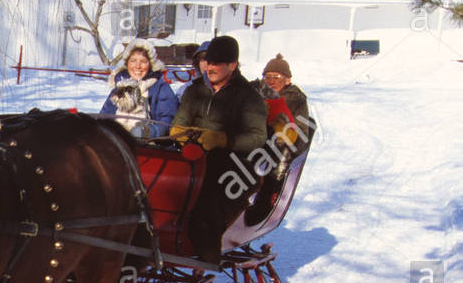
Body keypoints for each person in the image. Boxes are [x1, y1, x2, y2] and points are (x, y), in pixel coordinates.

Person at [168, 34, 268, 263]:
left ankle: (206, 259)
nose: (210, 67)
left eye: (216, 63)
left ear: (232, 65)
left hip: (236, 168)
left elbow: (258, 138)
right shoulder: (194, 91)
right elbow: (178, 124)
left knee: (206, 207)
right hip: (195, 161)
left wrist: (223, 139)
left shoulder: (249, 97)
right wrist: (180, 133)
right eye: (208, 62)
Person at [99, 39, 178, 139]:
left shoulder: (160, 88)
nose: (137, 66)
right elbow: (104, 117)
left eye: (143, 62)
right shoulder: (119, 88)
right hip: (118, 141)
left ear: (150, 65)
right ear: (127, 63)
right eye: (133, 61)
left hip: (149, 144)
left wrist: (148, 132)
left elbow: (167, 121)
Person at [256, 53, 313, 132]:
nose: (271, 81)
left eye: (277, 77)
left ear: (287, 80)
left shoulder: (296, 99)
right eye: (268, 77)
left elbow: (302, 136)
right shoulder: (254, 92)